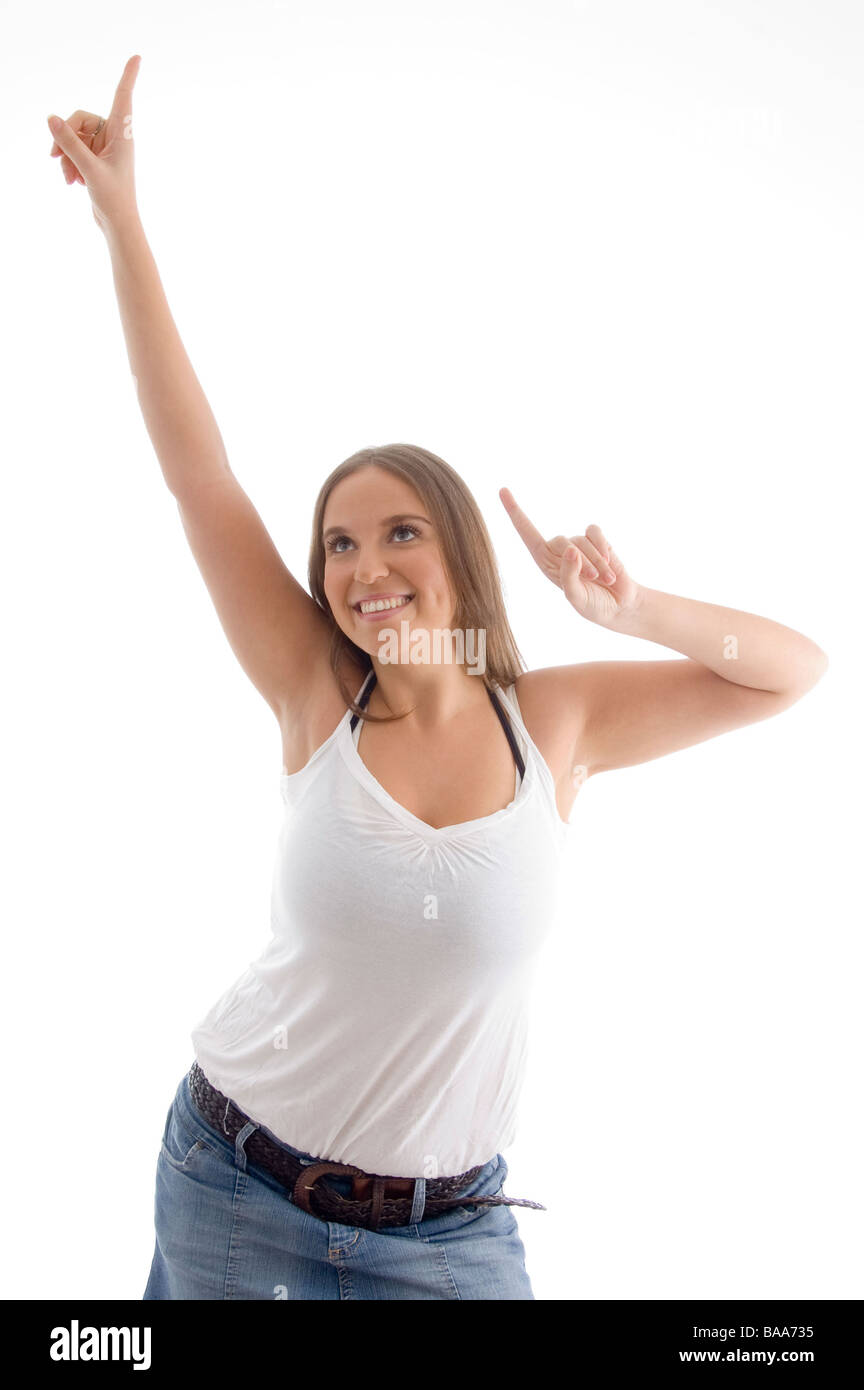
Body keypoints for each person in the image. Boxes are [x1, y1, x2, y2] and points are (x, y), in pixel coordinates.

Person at [47, 57, 829, 1302]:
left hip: (451, 1239)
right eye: (341, 543)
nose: (366, 568)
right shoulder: (315, 693)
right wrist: (123, 224)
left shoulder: (556, 724)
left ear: (460, 549)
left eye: (400, 532)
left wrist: (631, 609)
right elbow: (201, 474)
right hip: (235, 1190)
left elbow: (792, 673)